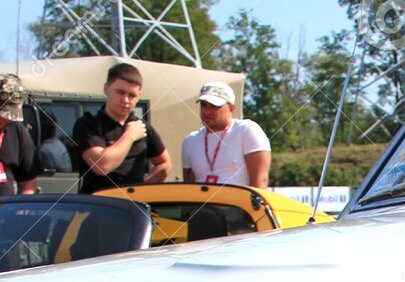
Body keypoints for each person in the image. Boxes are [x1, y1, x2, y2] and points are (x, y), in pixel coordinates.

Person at [72, 62, 169, 193]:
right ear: (106, 89)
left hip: (132, 209)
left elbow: (164, 164)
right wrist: (130, 136)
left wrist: (141, 190)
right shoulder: (87, 124)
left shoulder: (142, 127)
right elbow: (101, 166)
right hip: (96, 208)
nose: (126, 100)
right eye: (120, 92)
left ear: (139, 96)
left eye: (132, 95)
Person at [181, 81, 270, 187]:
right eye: (203, 105)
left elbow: (260, 181)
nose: (207, 112)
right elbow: (188, 186)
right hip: (201, 202)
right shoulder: (190, 140)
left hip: (236, 202)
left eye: (214, 106)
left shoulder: (246, 130)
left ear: (231, 108)